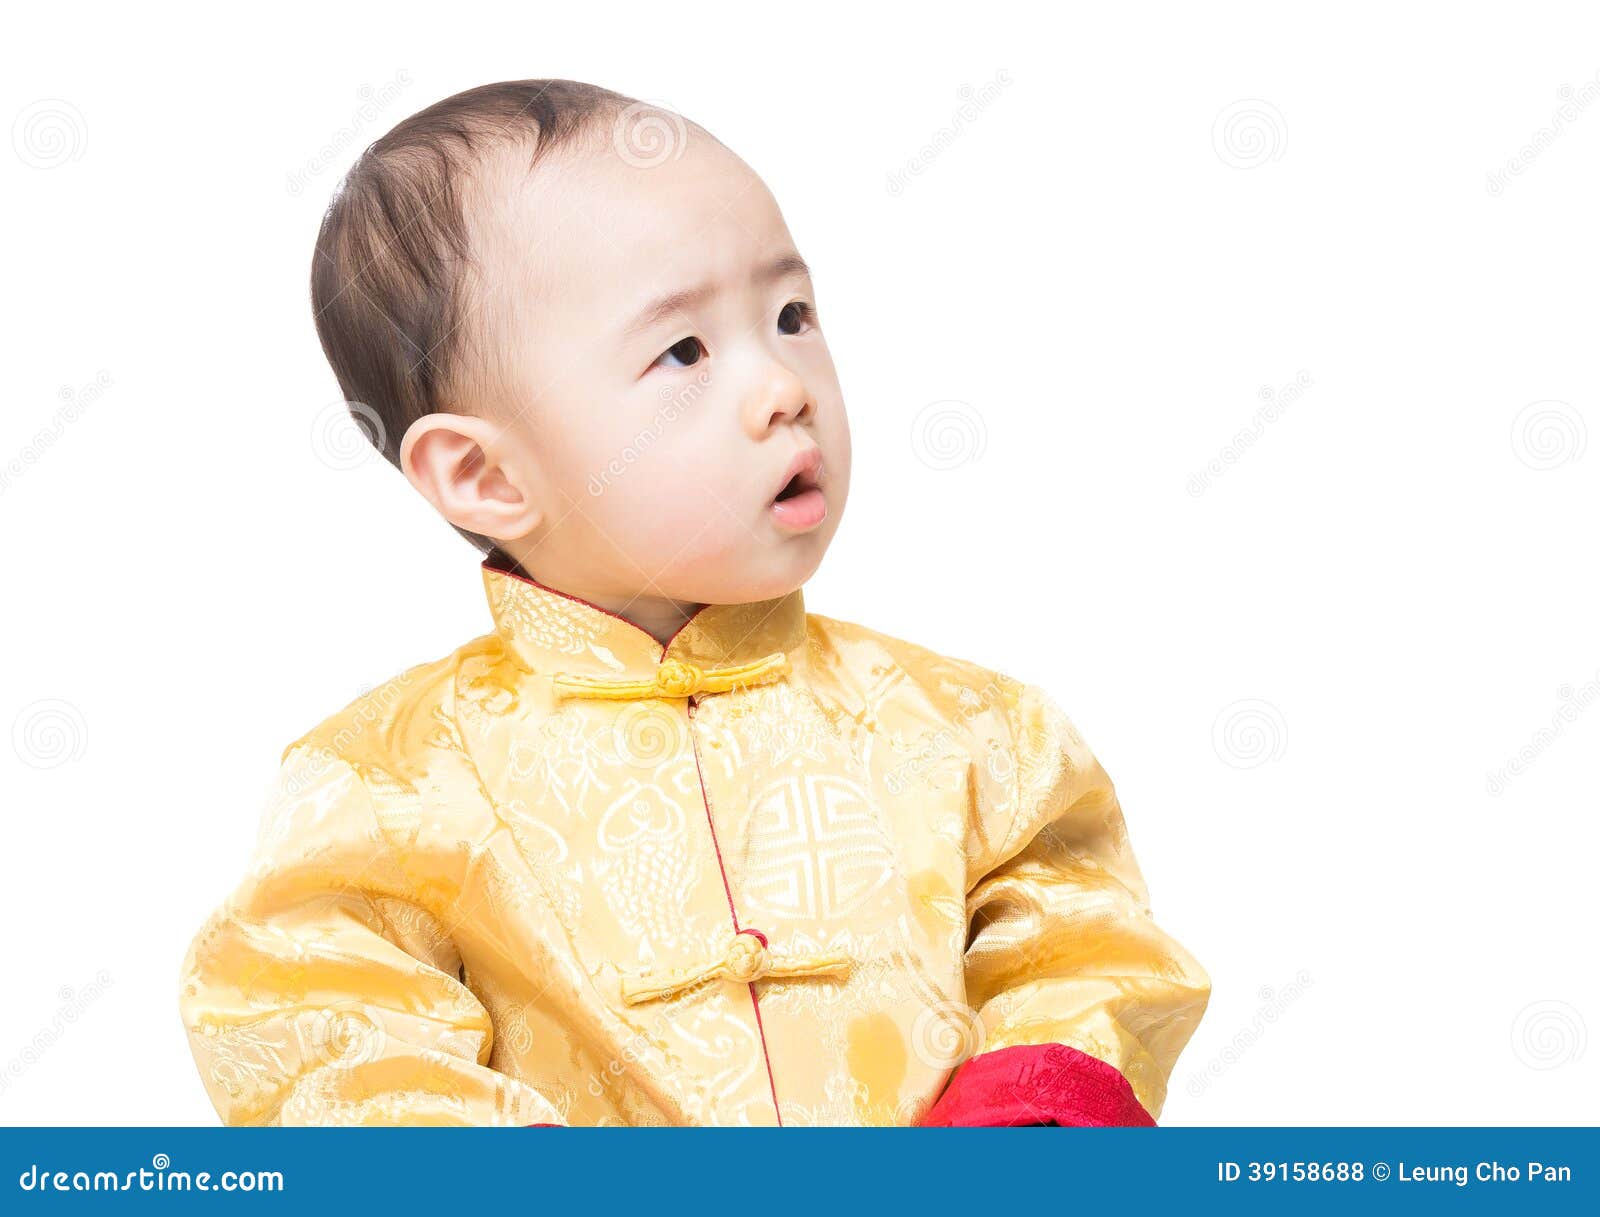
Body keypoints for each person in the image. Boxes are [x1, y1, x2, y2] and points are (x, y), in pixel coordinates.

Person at [176, 78, 1210, 1126]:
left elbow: (1084, 946)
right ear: (487, 477)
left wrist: (1032, 1109)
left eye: (791, 315)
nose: (785, 385)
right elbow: (324, 1036)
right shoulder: (385, 785)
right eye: (684, 351)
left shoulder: (976, 733)